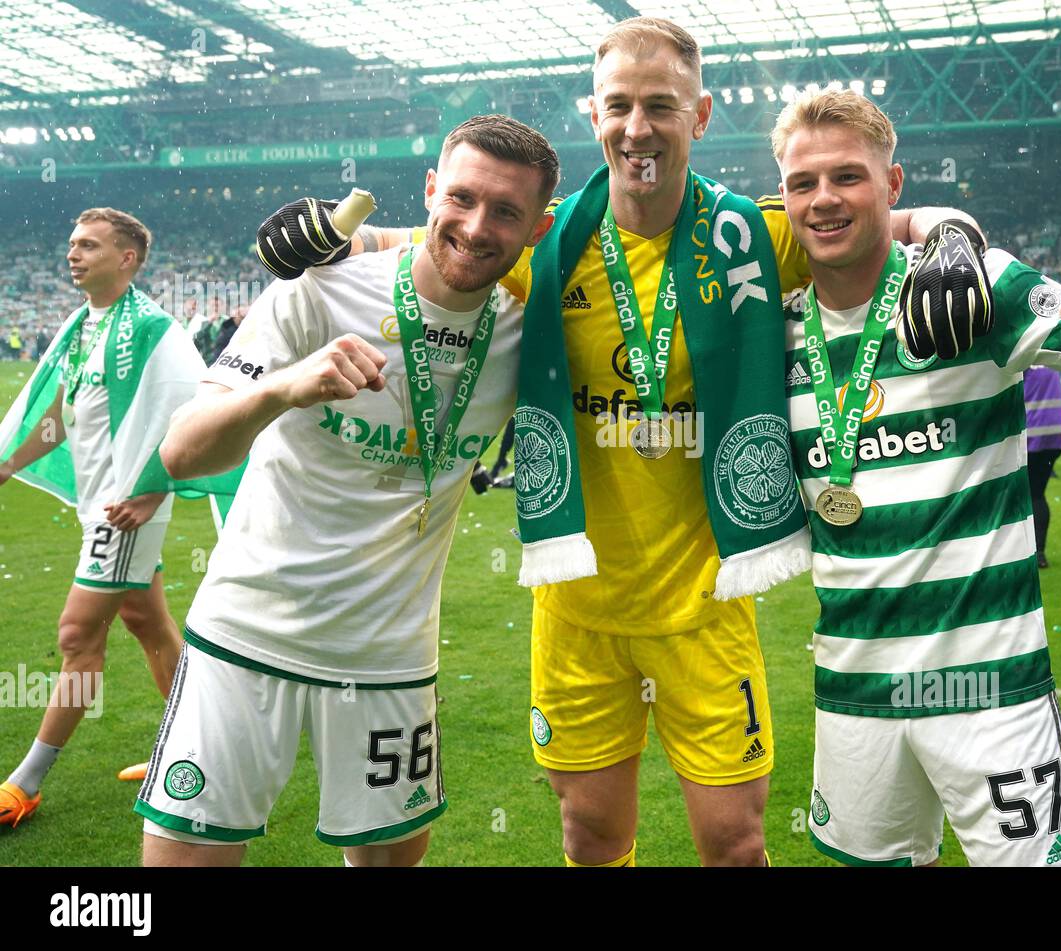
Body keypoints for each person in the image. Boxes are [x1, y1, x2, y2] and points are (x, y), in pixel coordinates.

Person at [252, 18, 990, 867]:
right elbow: (441, 244)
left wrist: (953, 232)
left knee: (736, 843)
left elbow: (879, 217)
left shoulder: (756, 233)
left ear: (701, 115)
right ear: (593, 113)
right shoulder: (546, 239)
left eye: (661, 107)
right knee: (593, 836)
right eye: (619, 106)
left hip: (705, 606)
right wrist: (328, 237)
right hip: (577, 609)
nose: (638, 128)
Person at [772, 90, 1061, 866]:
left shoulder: (970, 288)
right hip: (852, 690)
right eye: (803, 183)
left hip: (990, 692)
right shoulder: (773, 328)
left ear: (894, 184)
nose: (824, 198)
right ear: (782, 198)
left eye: (848, 176)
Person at [136, 115, 557, 866]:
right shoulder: (319, 293)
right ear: (430, 191)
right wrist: (285, 391)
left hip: (389, 658)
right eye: (459, 198)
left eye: (505, 212)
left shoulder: (532, 330)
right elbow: (182, 452)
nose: (474, 225)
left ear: (538, 229)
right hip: (246, 632)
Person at [0, 209, 200, 828]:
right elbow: (61, 418)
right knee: (148, 622)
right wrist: (8, 464)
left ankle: (25, 782)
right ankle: (191, 748)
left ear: (127, 258)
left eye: (88, 245)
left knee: (75, 638)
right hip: (103, 508)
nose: (73, 254)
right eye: (71, 244)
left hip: (126, 511)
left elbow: (190, 408)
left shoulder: (153, 328)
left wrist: (154, 489)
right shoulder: (82, 328)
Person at [1024, 366, 1061, 568]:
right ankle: (1039, 552)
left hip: (1032, 435)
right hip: (1055, 435)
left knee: (1028, 495)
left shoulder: (1021, 356)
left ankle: (1030, 551)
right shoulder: (1050, 354)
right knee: (1037, 494)